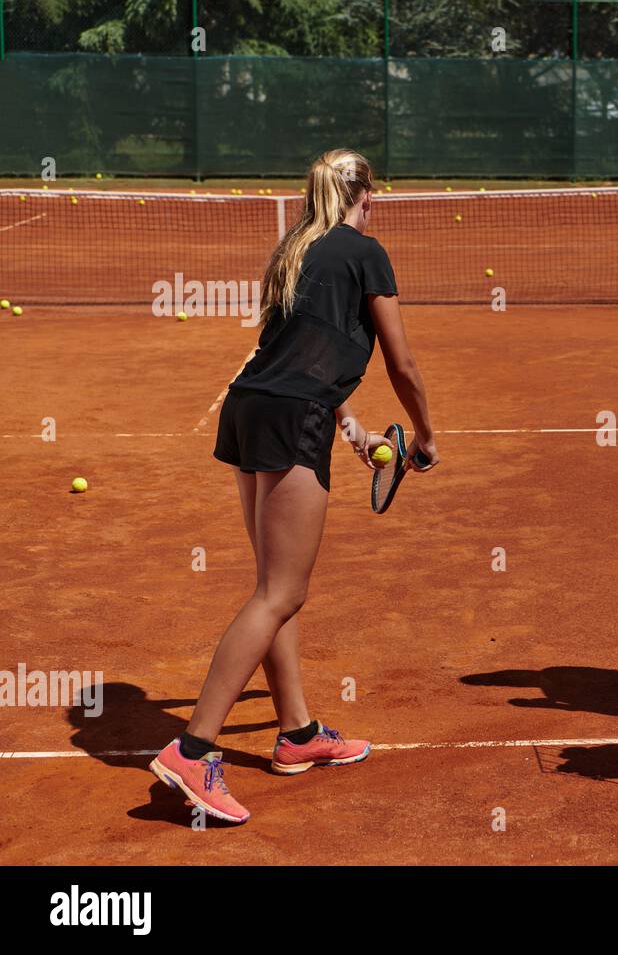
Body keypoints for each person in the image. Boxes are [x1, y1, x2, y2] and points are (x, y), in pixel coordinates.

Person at [149, 149, 439, 822]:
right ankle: (193, 751)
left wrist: (355, 426)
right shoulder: (365, 250)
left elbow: (294, 350)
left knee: (273, 590)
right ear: (364, 194)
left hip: (250, 410)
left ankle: (298, 734)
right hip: (291, 418)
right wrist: (423, 437)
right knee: (283, 591)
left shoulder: (294, 248)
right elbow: (402, 360)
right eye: (374, 195)